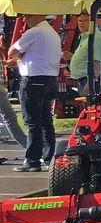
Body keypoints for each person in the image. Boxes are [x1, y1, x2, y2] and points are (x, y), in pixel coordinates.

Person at [5, 14, 59, 171]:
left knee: (32, 122)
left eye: (29, 16)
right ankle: (49, 158)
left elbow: (12, 52)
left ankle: (32, 160)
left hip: (33, 80)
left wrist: (18, 56)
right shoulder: (53, 33)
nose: (26, 19)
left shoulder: (33, 32)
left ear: (38, 16)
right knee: (46, 121)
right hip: (49, 79)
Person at [69, 16, 101, 97]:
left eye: (85, 20)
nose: (81, 23)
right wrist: (73, 57)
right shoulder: (86, 37)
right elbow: (88, 56)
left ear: (93, 22)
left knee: (91, 105)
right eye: (80, 21)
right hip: (85, 80)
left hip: (90, 81)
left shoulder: (96, 38)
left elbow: (97, 63)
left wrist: (90, 83)